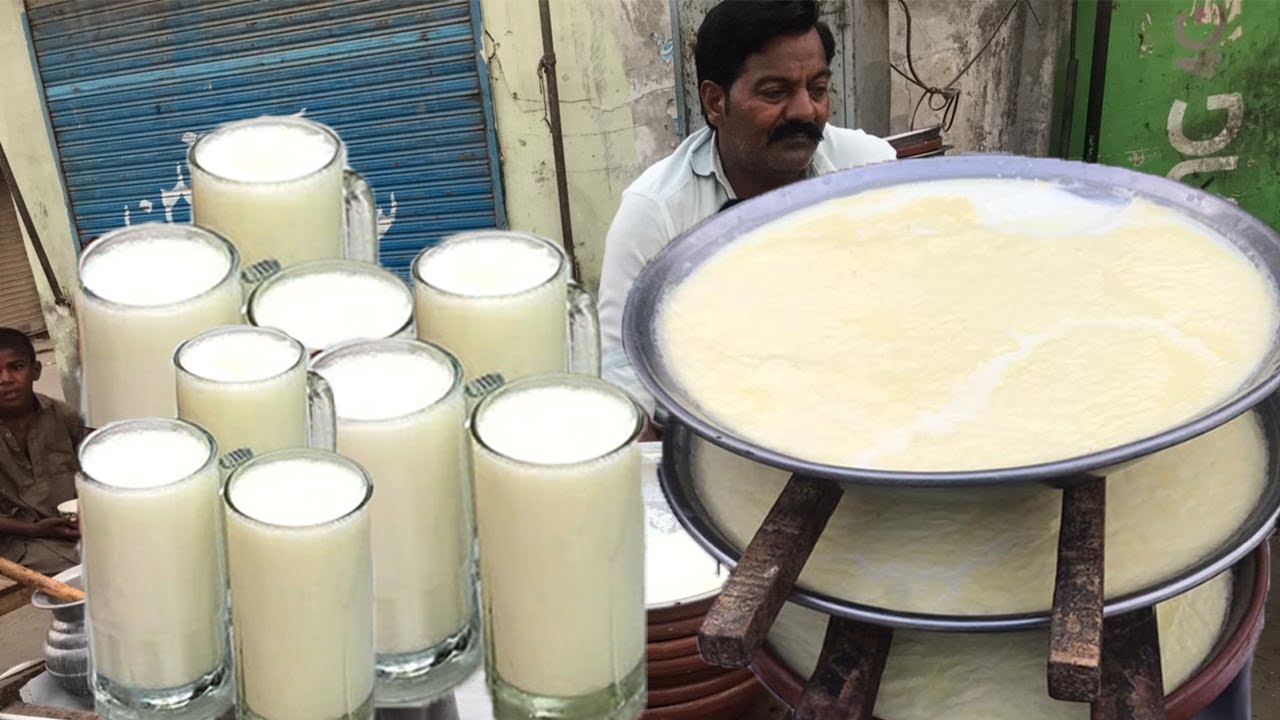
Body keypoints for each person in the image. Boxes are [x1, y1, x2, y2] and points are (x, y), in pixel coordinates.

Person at [597, 0, 897, 415]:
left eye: (818, 89)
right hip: (711, 437)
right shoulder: (657, 213)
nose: (805, 111)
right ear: (716, 103)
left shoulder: (869, 171)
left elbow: (903, 312)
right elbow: (626, 391)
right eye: (775, 93)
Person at [0, 328, 83, 576]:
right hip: (14, 537)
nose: (5, 379)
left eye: (16, 367)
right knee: (90, 569)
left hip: (68, 527)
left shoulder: (64, 417)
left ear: (35, 370)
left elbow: (93, 474)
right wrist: (35, 530)